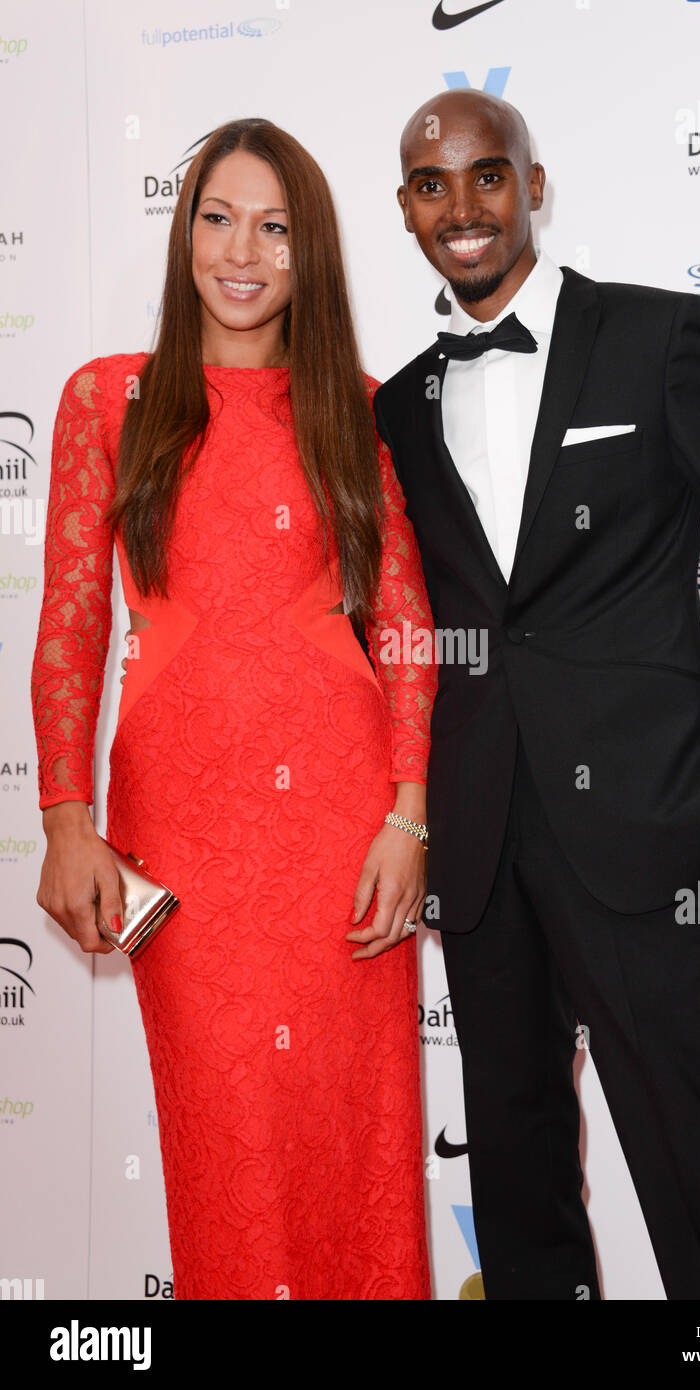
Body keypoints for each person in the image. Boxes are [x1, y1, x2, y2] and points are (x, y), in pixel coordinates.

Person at [373, 88, 700, 1301]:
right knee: (518, 1180)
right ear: (408, 210)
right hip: (480, 852)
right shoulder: (397, 410)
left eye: (489, 176)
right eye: (434, 185)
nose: (463, 206)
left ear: (534, 184)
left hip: (646, 826)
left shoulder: (658, 335)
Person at [30, 117, 436, 1301]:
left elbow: (407, 627)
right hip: (183, 847)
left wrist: (406, 817)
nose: (241, 251)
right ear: (182, 234)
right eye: (217, 218)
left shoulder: (362, 409)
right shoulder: (111, 397)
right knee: (224, 1154)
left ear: (309, 252)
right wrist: (65, 813)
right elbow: (71, 621)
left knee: (354, 1145)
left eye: (273, 226)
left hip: (342, 835)